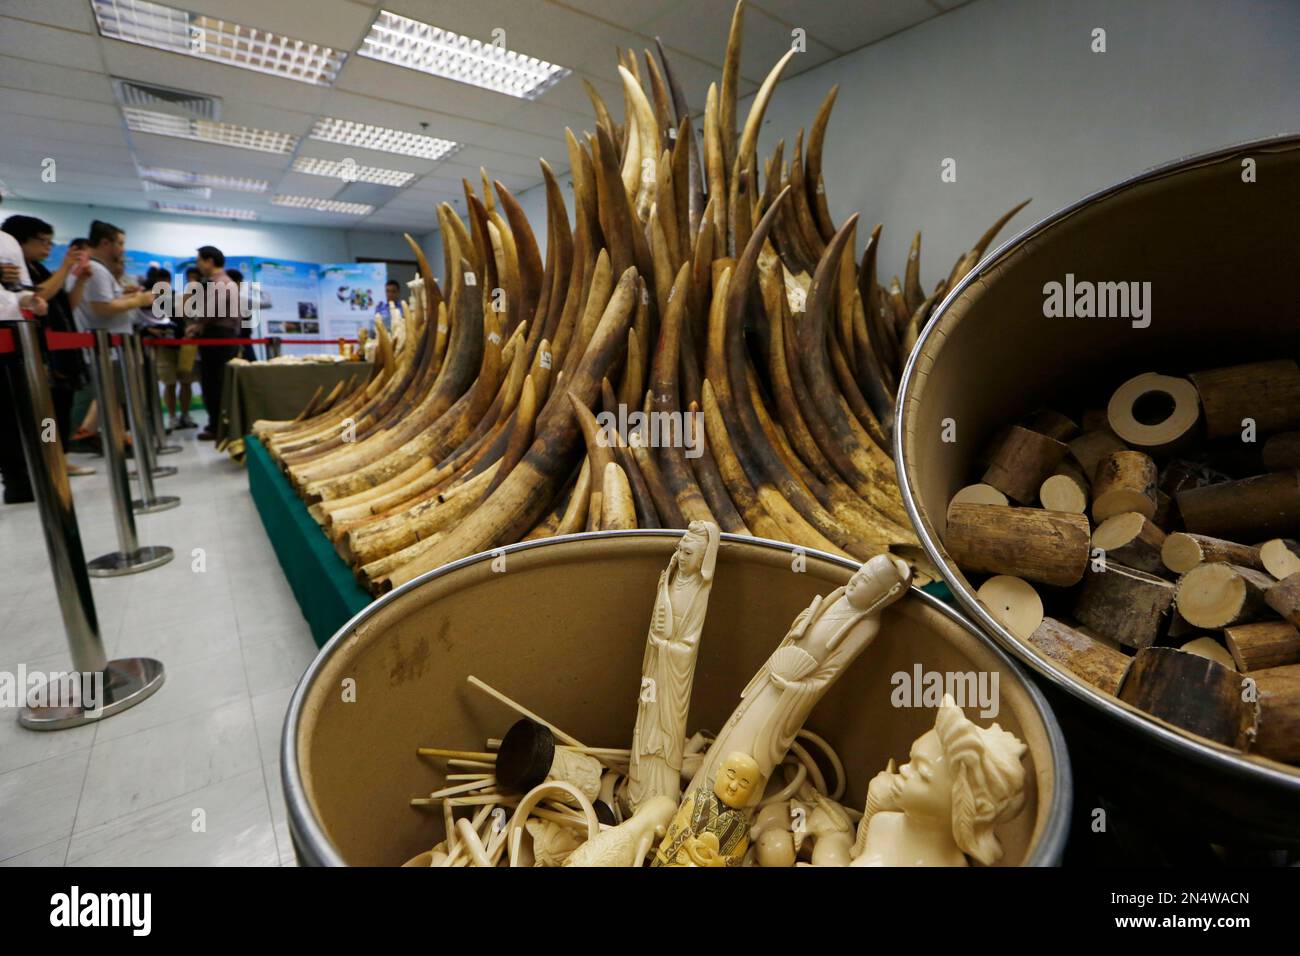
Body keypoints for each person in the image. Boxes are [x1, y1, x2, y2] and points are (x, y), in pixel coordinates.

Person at [1, 216, 94, 475]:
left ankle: (59, 456)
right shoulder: (18, 271)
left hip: (60, 350)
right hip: (38, 349)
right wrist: (65, 268)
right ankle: (48, 460)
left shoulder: (40, 270)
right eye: (43, 241)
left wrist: (81, 281)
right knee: (46, 410)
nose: (48, 248)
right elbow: (38, 295)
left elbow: (65, 305)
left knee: (59, 408)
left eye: (51, 243)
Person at [65, 220, 156, 456]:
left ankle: (96, 434)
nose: (123, 249)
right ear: (105, 243)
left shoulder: (92, 269)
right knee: (111, 394)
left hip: (107, 344)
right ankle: (108, 439)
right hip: (108, 345)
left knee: (110, 396)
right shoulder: (96, 270)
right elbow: (101, 307)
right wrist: (139, 301)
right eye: (120, 243)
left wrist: (125, 296)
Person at [189, 245, 240, 441]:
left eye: (199, 260)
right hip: (221, 335)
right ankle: (220, 424)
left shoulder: (220, 283)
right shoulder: (220, 282)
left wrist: (197, 323)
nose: (197, 265)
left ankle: (218, 426)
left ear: (209, 261)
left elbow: (211, 310)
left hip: (218, 337)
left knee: (214, 383)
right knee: (217, 382)